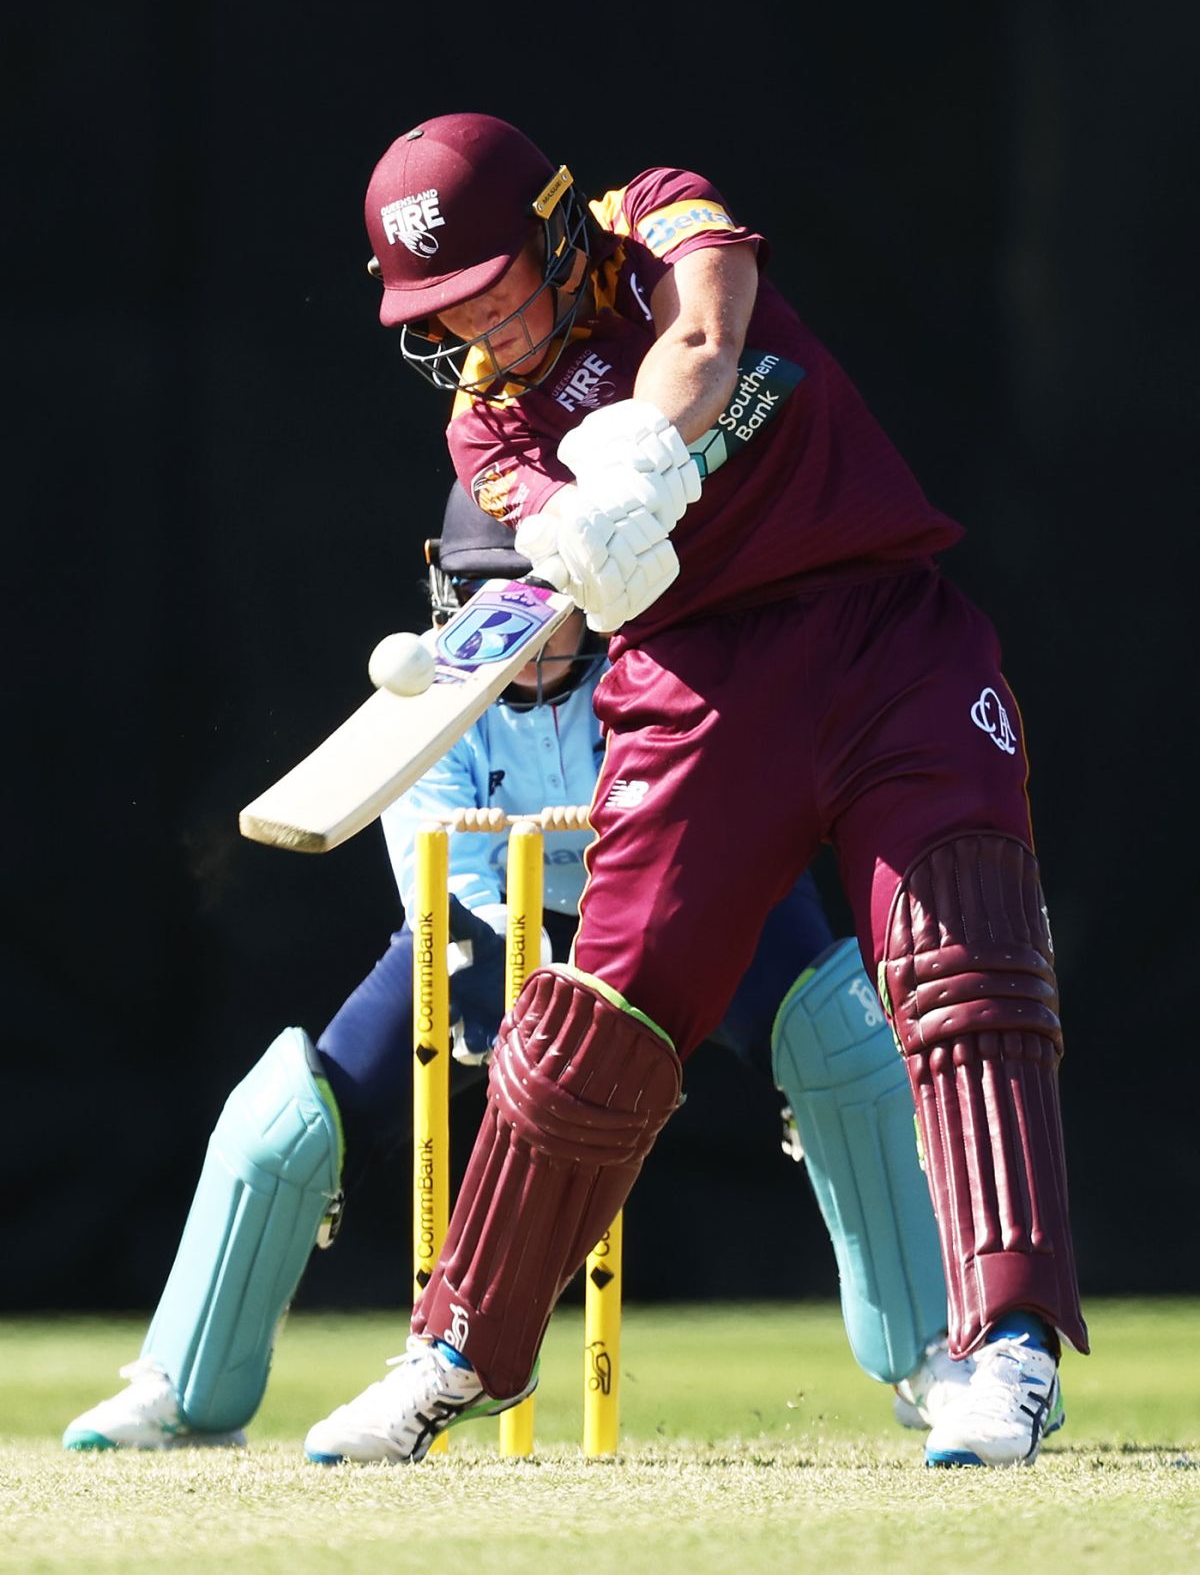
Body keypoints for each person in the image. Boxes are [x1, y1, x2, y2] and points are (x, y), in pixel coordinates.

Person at [309, 111, 1089, 1472]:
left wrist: (637, 457)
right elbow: (576, 585)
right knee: (596, 1020)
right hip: (699, 689)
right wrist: (573, 559)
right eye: (443, 307)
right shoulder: (485, 426)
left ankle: (1009, 1346)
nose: (477, 325)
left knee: (965, 957)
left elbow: (707, 337)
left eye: (489, 284)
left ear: (556, 232)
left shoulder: (656, 215)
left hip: (884, 631)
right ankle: (457, 1348)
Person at [63, 486, 965, 1453]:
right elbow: (449, 894)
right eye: (487, 598)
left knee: (841, 1042)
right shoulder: (420, 700)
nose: (517, 632)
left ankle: (934, 1356)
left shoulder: (663, 662)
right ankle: (186, 1390)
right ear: (446, 589)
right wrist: (527, 1000)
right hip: (495, 918)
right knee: (284, 1121)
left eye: (538, 599)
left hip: (683, 889)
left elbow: (717, 825)